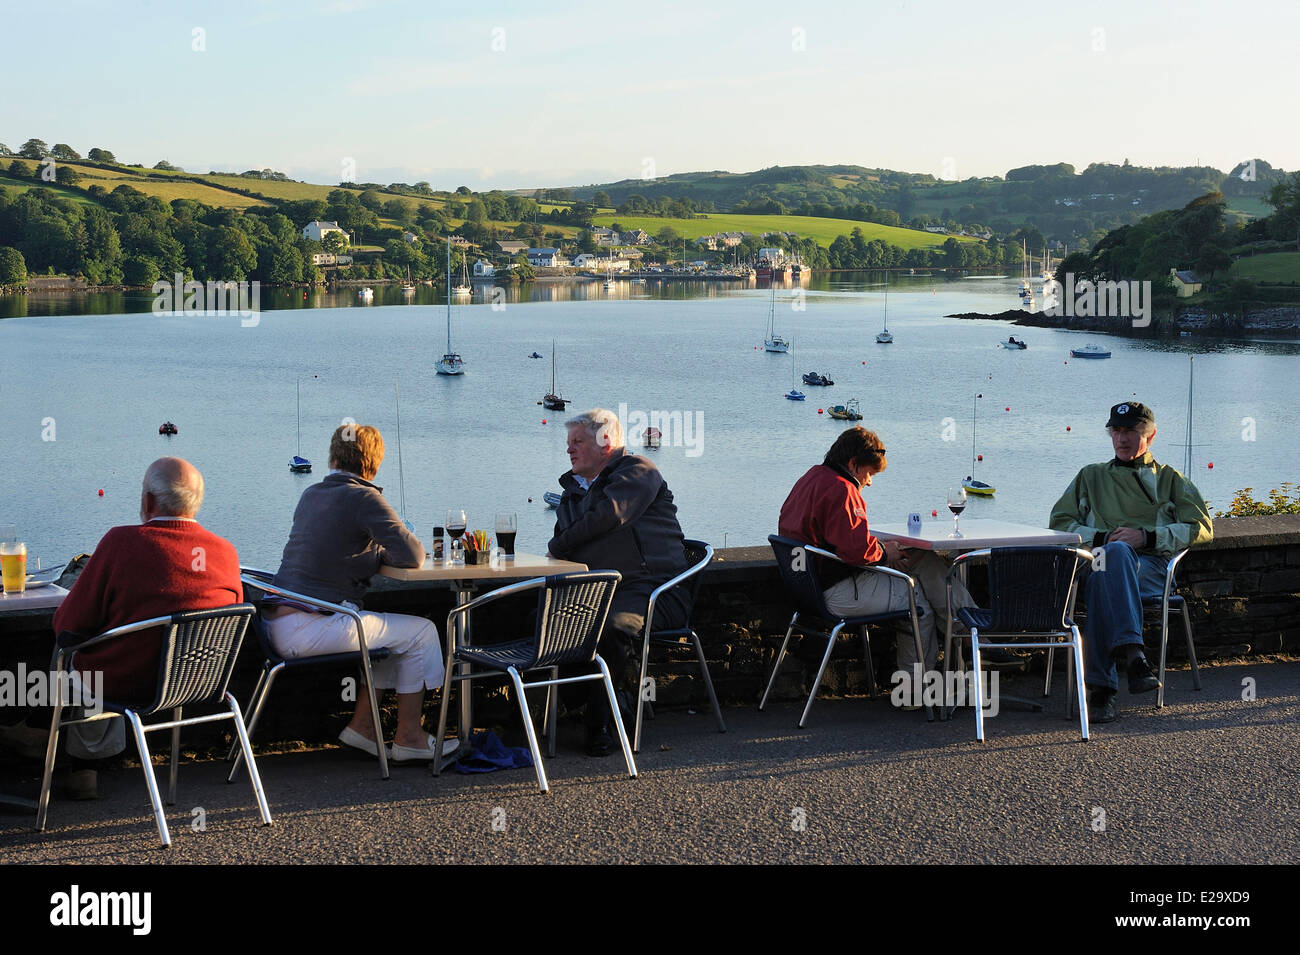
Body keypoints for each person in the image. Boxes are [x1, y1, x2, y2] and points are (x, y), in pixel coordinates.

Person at [50, 457, 242, 796]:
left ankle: (78, 762)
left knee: (74, 652)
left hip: (127, 684)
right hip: (202, 683)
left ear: (148, 501)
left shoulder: (120, 543)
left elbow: (68, 623)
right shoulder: (225, 553)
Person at [267, 424, 453, 762]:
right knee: (422, 632)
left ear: (334, 457)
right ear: (374, 461)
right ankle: (410, 737)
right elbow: (413, 556)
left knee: (387, 639)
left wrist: (371, 553)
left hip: (277, 624)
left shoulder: (311, 494)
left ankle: (363, 727)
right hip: (313, 625)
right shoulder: (364, 496)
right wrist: (381, 553)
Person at [1049, 401, 1213, 723]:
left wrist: (1147, 537)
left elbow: (1202, 528)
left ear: (1150, 436)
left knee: (1106, 576)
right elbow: (1058, 523)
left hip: (1150, 570)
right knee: (1113, 560)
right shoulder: (1090, 476)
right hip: (1100, 559)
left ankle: (1102, 692)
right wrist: (1102, 537)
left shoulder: (1171, 480)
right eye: (1117, 431)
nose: (1122, 439)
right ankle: (1134, 655)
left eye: (1132, 431)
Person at [778, 426, 970, 685]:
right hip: (836, 592)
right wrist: (883, 551)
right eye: (869, 473)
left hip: (807, 590)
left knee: (924, 560)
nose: (869, 481)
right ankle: (919, 686)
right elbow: (856, 551)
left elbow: (835, 538)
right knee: (917, 601)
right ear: (854, 464)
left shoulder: (811, 477)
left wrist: (883, 550)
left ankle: (969, 632)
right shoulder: (843, 489)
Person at [548, 409, 690, 756]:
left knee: (608, 628)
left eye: (578, 442)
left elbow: (609, 515)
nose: (570, 450)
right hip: (601, 589)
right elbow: (566, 540)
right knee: (541, 620)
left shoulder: (639, 471)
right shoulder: (572, 491)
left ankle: (600, 727)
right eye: (569, 443)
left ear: (605, 442)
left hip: (654, 589)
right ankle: (600, 700)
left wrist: (559, 545)